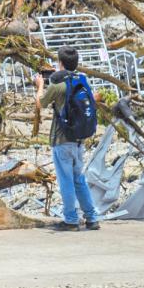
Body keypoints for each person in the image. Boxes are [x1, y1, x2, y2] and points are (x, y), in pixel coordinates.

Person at [35, 47, 100, 232]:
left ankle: (71, 220)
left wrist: (40, 85)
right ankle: (92, 218)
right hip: (79, 139)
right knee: (79, 179)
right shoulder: (81, 80)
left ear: (61, 63)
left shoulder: (57, 85)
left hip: (62, 140)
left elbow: (40, 103)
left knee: (66, 181)